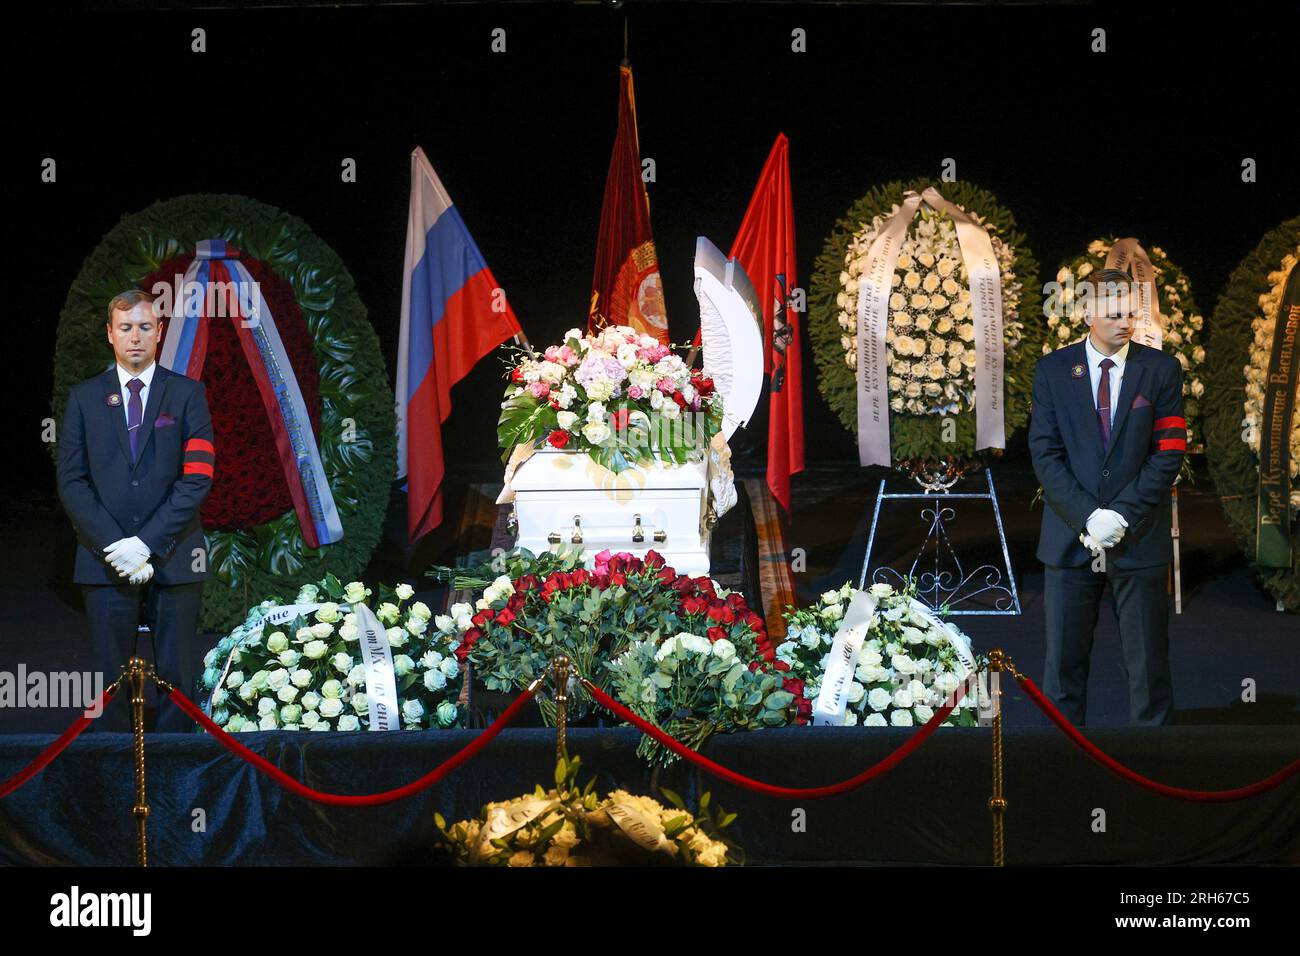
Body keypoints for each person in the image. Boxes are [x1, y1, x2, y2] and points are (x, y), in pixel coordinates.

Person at [1028, 268, 1186, 726]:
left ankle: (1151, 774)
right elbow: (1044, 453)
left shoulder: (1161, 370)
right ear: (1085, 312)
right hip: (1069, 542)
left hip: (1139, 541)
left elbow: (1169, 453)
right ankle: (1063, 765)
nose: (1126, 324)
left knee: (1149, 671)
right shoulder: (1053, 371)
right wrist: (1086, 517)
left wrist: (1120, 516)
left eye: (1130, 314)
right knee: (1062, 674)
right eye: (1114, 314)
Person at [56, 289, 215, 732]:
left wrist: (145, 545)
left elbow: (198, 476)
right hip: (103, 561)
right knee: (111, 686)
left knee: (178, 684)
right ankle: (116, 785)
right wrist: (116, 547)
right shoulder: (85, 399)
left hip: (175, 555)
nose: (136, 337)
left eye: (145, 327)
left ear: (159, 332)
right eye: (125, 328)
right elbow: (71, 481)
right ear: (110, 334)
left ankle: (179, 786)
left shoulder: (188, 395)